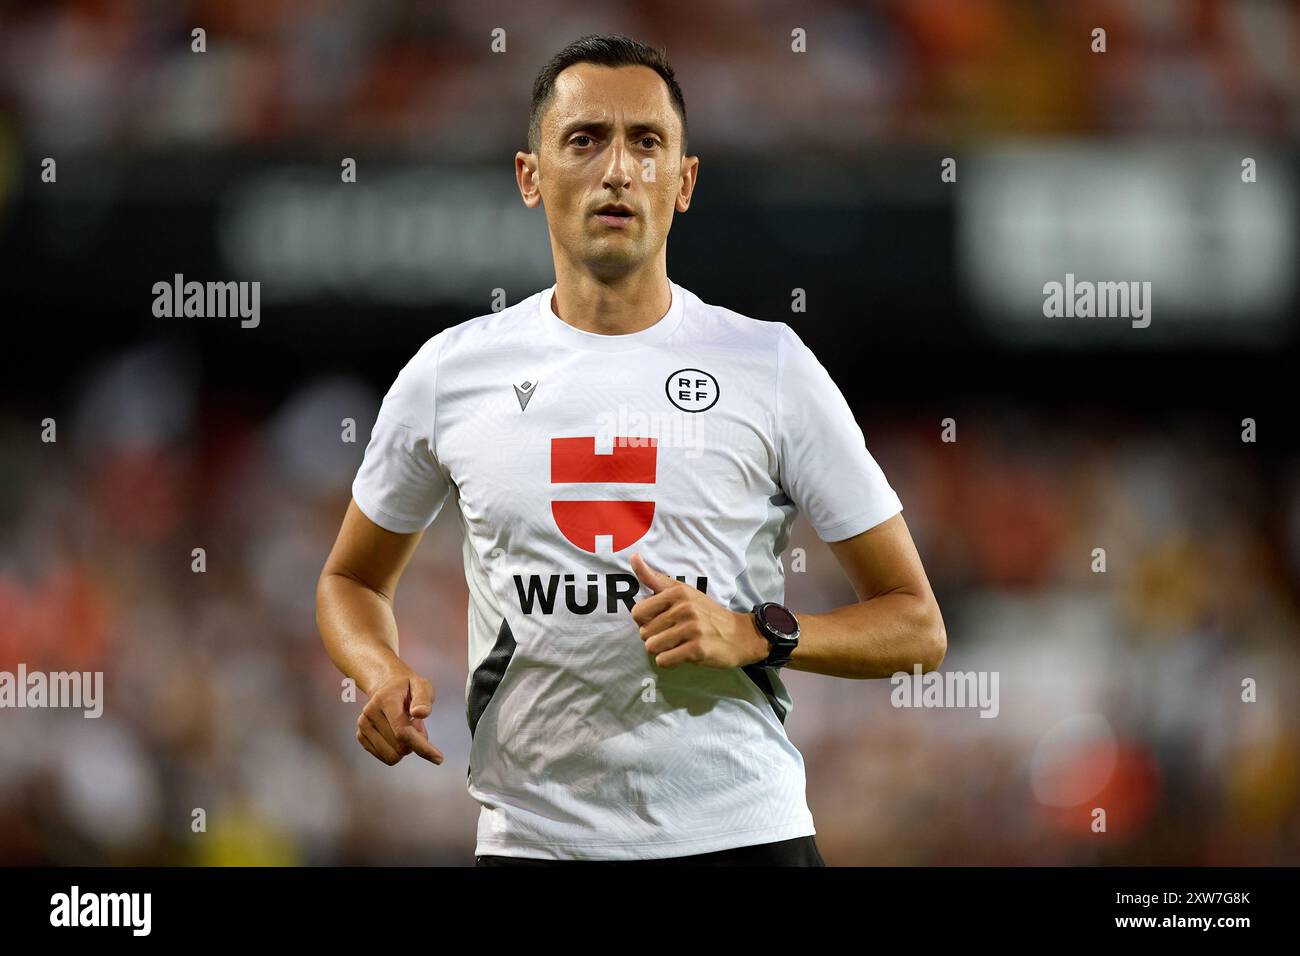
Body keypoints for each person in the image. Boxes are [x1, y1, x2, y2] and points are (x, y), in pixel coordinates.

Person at [316, 34, 945, 866]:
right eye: (585, 140)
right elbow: (351, 579)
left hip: (742, 835)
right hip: (532, 845)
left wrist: (758, 633)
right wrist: (377, 669)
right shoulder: (451, 372)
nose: (618, 169)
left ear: (683, 183)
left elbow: (917, 625)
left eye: (647, 143)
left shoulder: (772, 366)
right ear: (529, 176)